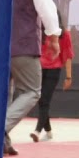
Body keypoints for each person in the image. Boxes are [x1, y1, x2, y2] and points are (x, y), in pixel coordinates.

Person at [4, 0, 60, 156]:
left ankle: (3, 142)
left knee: (4, 95)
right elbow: (48, 10)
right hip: (23, 46)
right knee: (32, 90)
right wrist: (54, 37)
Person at [32, 9, 72, 143]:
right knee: (41, 100)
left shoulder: (64, 34)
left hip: (54, 70)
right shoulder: (39, 31)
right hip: (39, 69)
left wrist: (68, 77)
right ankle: (48, 131)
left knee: (45, 100)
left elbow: (67, 56)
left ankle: (37, 130)